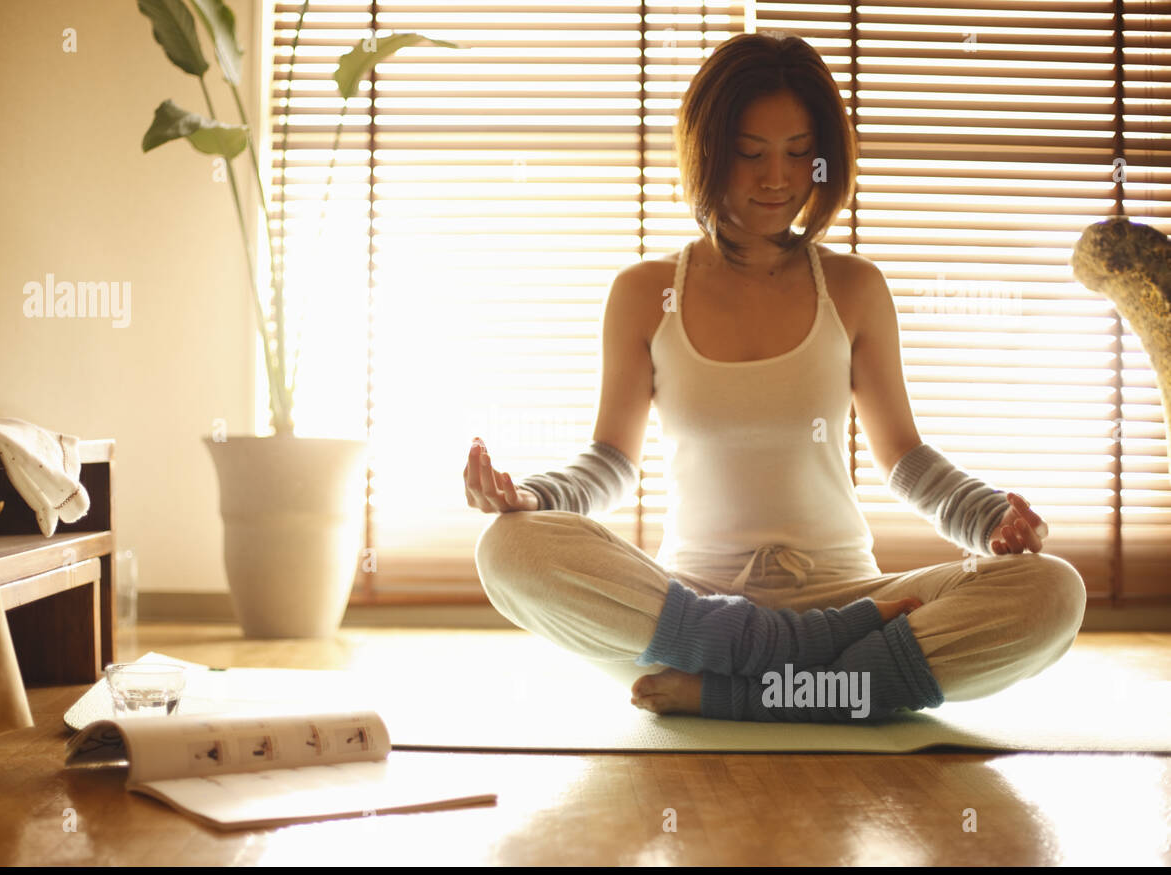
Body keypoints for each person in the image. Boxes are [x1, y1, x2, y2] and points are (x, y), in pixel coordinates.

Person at [463, 31, 1087, 723]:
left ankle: (740, 691)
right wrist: (533, 496)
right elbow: (611, 463)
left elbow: (905, 459)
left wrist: (990, 520)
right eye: (751, 153)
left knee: (1052, 591)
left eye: (798, 154)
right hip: (695, 607)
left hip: (847, 597)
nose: (777, 179)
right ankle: (824, 682)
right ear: (708, 152)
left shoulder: (852, 287)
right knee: (508, 548)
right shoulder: (644, 292)